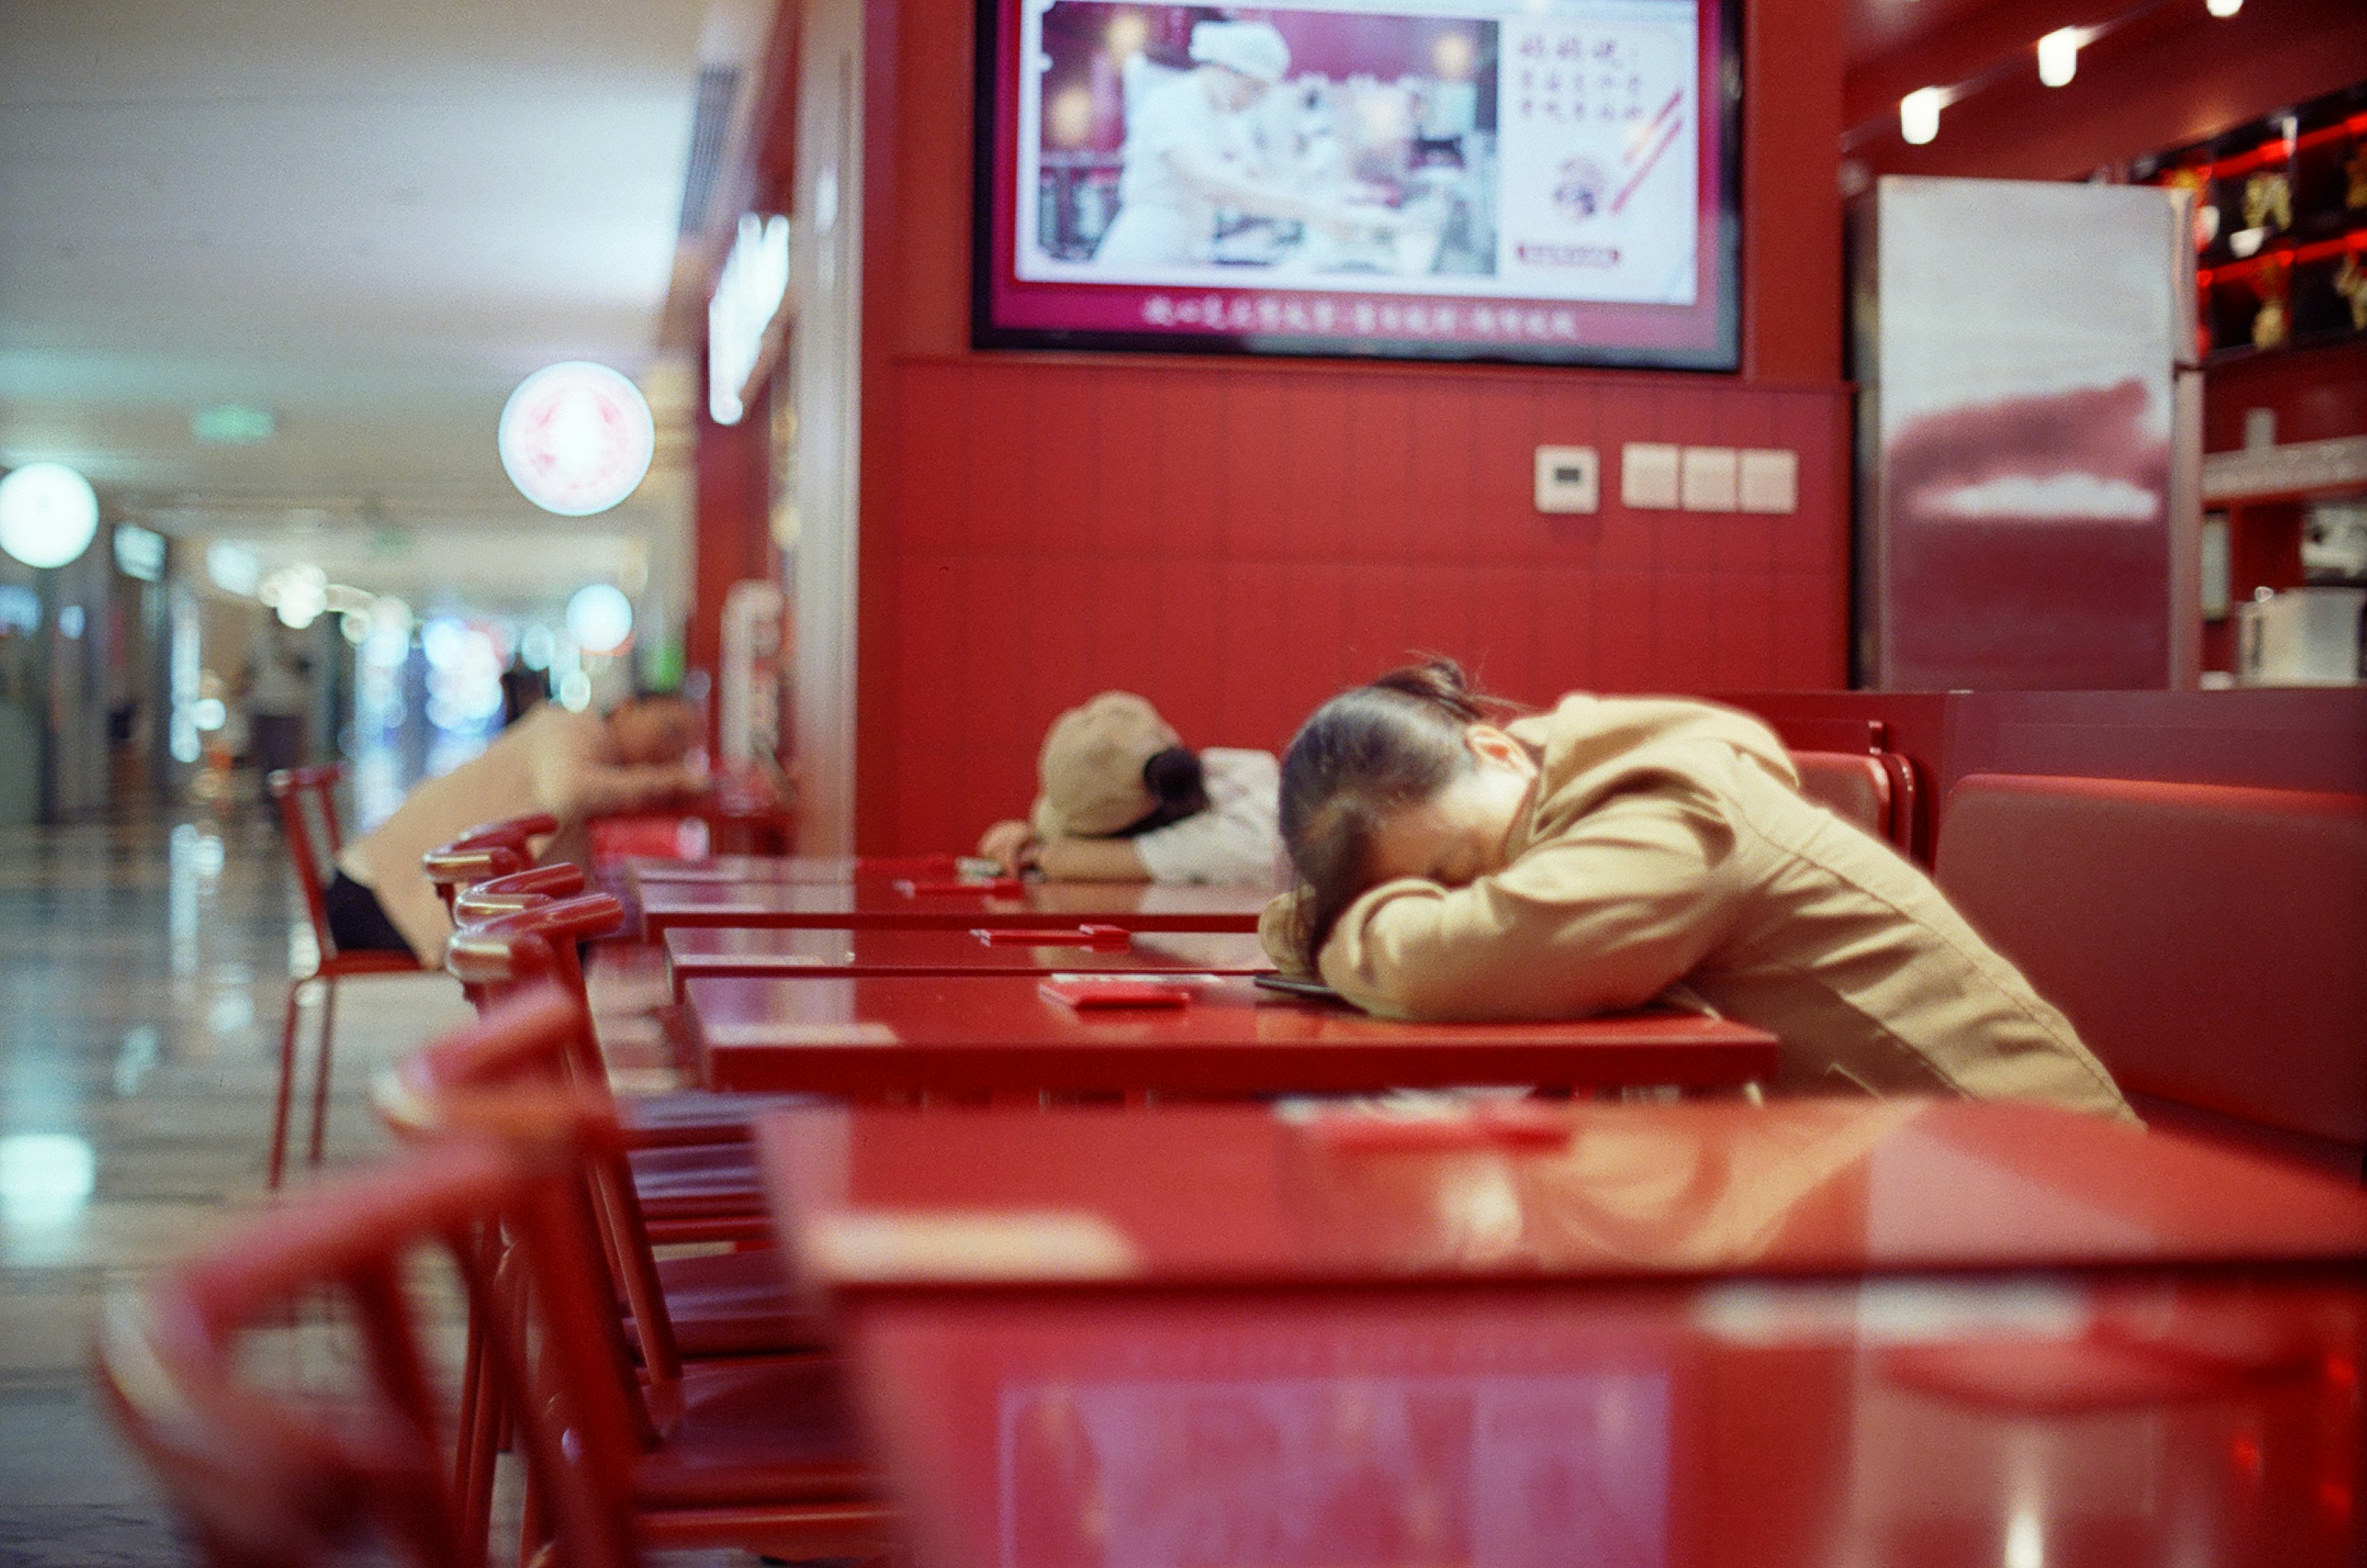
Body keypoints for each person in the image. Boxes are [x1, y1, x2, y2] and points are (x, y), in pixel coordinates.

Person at [1264, 659, 2134, 1119]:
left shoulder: (1669, 807)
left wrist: (1356, 929)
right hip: (1902, 1194)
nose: (1476, 893)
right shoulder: (1558, 793)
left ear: (1496, 749)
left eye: (1455, 872)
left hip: (2051, 1199)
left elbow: (1465, 954)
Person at [326, 693, 708, 962]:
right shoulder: (572, 726)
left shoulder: (595, 751)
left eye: (681, 749)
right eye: (669, 730)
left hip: (384, 892)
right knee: (563, 939)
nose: (668, 752)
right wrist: (668, 782)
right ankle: (553, 1063)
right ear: (626, 708)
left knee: (576, 927)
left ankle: (558, 1061)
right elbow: (567, 793)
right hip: (371, 901)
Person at [1094, 21, 1401, 269]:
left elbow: (1257, 182)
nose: (1255, 101)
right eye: (1254, 89)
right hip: (1147, 250)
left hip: (1192, 248)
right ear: (1227, 68)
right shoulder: (1171, 103)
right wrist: (1310, 211)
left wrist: (1325, 206)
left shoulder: (1224, 117)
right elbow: (1210, 182)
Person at [977, 691, 1286, 887]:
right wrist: (1028, 835)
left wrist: (1047, 854)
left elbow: (1065, 858)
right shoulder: (1226, 772)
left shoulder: (1248, 834)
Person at [240, 618, 316, 808]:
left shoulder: (300, 639)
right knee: (264, 757)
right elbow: (251, 670)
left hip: (288, 707)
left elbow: (306, 669)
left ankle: (284, 804)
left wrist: (287, 654)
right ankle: (268, 802)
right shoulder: (259, 639)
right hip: (263, 705)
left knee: (284, 757)